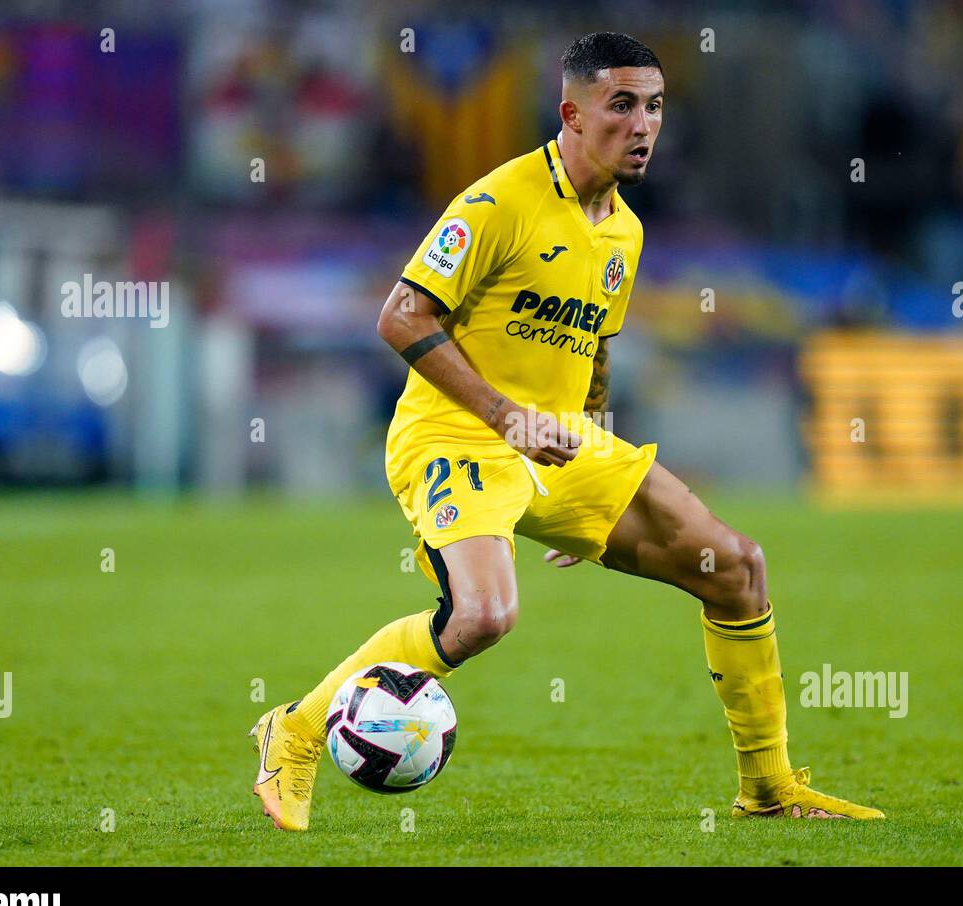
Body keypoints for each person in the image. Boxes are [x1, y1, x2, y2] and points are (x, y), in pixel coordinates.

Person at [250, 31, 883, 830]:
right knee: (483, 616)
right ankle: (296, 732)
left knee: (737, 569)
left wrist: (579, 487)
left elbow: (592, 352)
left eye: (654, 106)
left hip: (555, 446)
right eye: (622, 105)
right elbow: (400, 314)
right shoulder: (500, 202)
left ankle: (769, 790)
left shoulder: (626, 231)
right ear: (572, 113)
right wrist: (505, 416)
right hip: (456, 437)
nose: (644, 124)